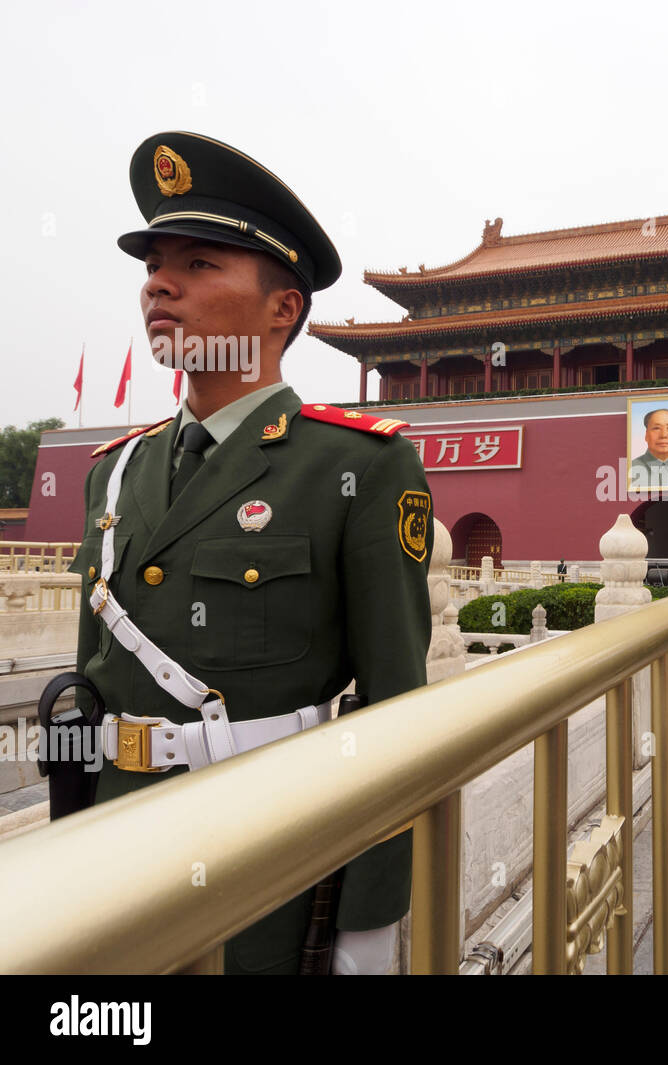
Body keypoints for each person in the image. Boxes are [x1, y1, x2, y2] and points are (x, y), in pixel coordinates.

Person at [66, 132, 433, 975]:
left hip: (263, 861)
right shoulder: (115, 474)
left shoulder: (359, 466)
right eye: (155, 264)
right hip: (110, 856)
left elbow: (394, 708)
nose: (159, 283)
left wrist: (368, 925)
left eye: (199, 265)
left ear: (281, 309)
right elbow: (86, 688)